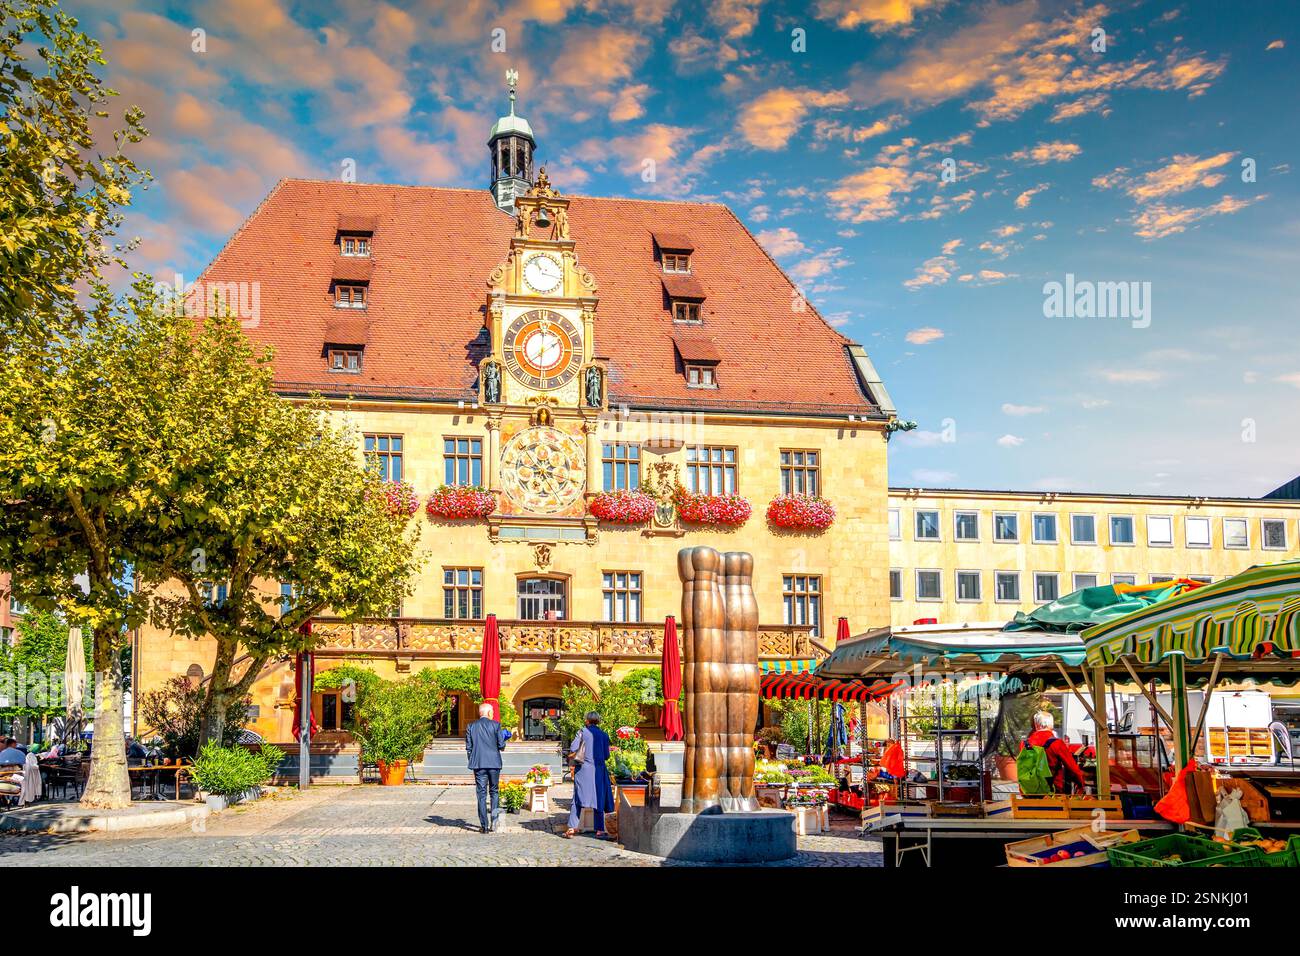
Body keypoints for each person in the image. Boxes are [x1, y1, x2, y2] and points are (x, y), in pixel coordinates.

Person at [564, 711, 614, 839]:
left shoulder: (582, 732)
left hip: (584, 770)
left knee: (578, 798)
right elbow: (607, 756)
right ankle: (600, 830)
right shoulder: (604, 735)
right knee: (599, 798)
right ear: (598, 721)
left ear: (587, 720)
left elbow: (573, 747)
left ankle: (571, 828)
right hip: (599, 770)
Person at [1020, 711, 1087, 794]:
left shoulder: (1024, 744)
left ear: (1036, 725)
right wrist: (1081, 784)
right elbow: (1072, 768)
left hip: (1028, 791)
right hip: (1051, 792)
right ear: (1051, 725)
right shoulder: (1057, 743)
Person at [465, 703, 506, 834]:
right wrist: (504, 739)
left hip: (478, 764)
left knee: (481, 795)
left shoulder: (471, 726)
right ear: (488, 713)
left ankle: (484, 826)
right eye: (492, 712)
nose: (493, 713)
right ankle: (494, 822)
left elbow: (469, 748)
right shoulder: (496, 725)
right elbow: (501, 745)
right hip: (494, 763)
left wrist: (473, 760)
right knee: (494, 792)